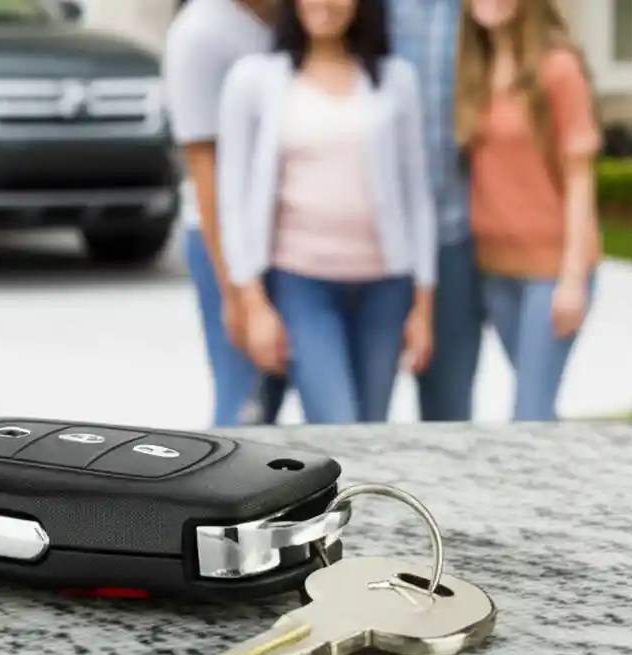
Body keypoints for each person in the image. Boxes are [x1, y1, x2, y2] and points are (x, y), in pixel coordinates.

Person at [216, 0, 437, 424]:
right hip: (301, 283)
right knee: (337, 422)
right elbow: (234, 198)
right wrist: (253, 303)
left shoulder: (397, 80)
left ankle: (361, 496)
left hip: (385, 288)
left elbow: (417, 197)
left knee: (373, 427)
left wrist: (423, 306)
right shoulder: (255, 80)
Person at [454, 0, 601, 421]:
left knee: (529, 414)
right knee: (536, 406)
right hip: (496, 271)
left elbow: (579, 176)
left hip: (550, 272)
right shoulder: (473, 71)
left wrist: (572, 278)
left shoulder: (558, 68)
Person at [162, 0, 291, 428]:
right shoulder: (200, 34)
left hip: (286, 236)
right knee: (243, 402)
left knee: (271, 393)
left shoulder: (284, 16)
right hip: (221, 239)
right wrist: (234, 292)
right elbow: (205, 171)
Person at [386, 0, 485, 423]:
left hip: (453, 234)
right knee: (356, 410)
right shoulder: (367, 9)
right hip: (371, 246)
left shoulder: (482, 9)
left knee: (449, 409)